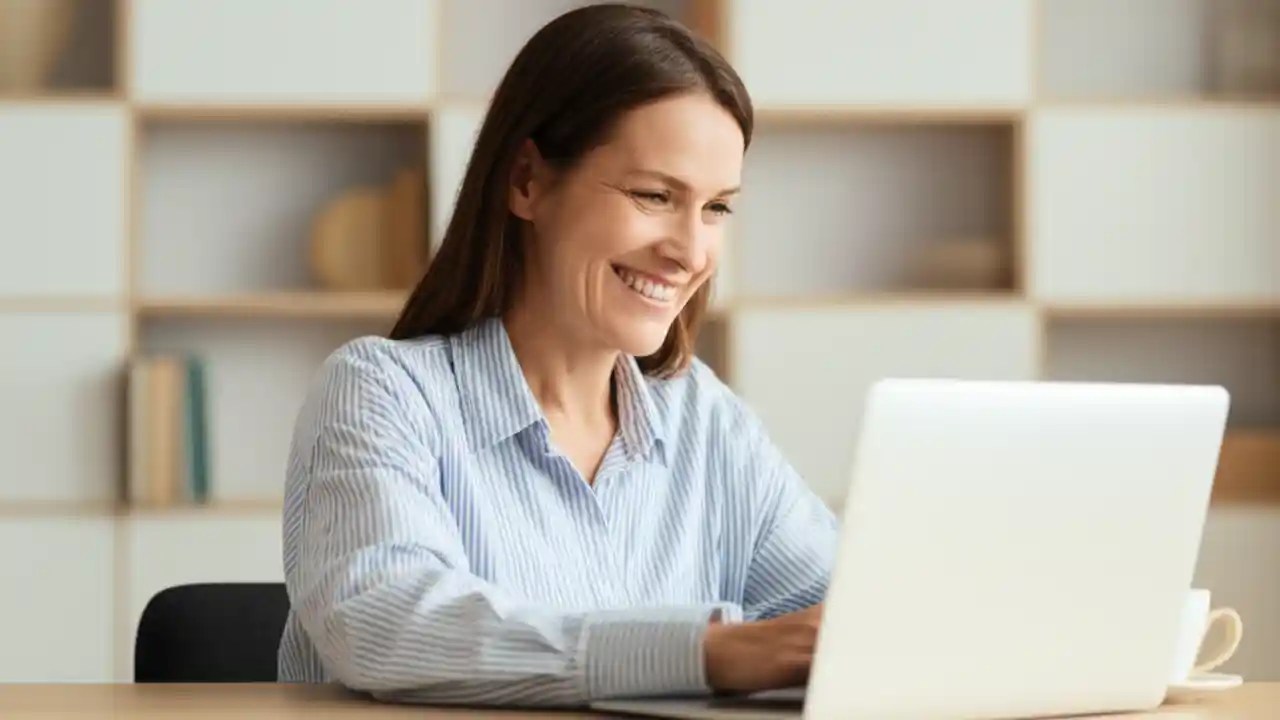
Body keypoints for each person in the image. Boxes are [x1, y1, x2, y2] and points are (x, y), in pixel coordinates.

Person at [277, 2, 838, 707]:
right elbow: (386, 622)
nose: (692, 252)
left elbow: (857, 613)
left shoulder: (706, 421)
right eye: (654, 195)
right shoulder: (383, 392)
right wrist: (709, 653)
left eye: (717, 208)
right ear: (527, 181)